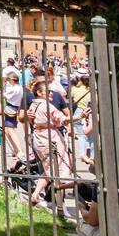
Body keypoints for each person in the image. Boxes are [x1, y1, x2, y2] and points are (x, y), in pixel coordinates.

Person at [28, 79, 74, 217]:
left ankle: (36, 195)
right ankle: (60, 206)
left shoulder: (34, 104)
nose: (51, 94)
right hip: (50, 138)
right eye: (47, 91)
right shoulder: (46, 105)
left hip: (38, 138)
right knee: (60, 172)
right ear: (40, 92)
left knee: (48, 170)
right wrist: (78, 118)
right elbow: (62, 118)